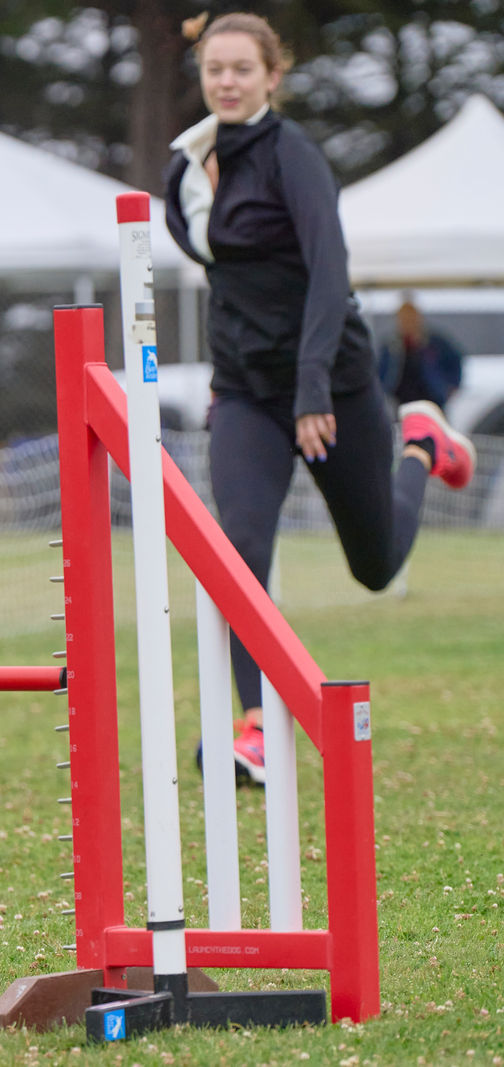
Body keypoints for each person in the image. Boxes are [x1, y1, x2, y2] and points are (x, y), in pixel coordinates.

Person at [163, 13, 476, 784]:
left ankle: (423, 445)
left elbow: (330, 279)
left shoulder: (293, 158)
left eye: (243, 68)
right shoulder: (188, 166)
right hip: (244, 392)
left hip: (330, 382)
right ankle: (257, 726)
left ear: (273, 76)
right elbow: (221, 272)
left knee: (376, 565)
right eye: (214, 68)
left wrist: (313, 391)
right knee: (240, 548)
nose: (227, 81)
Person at [379, 295, 465, 411]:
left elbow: (455, 361)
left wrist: (451, 386)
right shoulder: (390, 346)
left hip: (432, 399)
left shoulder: (435, 342)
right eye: (404, 318)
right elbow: (380, 372)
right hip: (398, 402)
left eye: (411, 317)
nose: (408, 322)